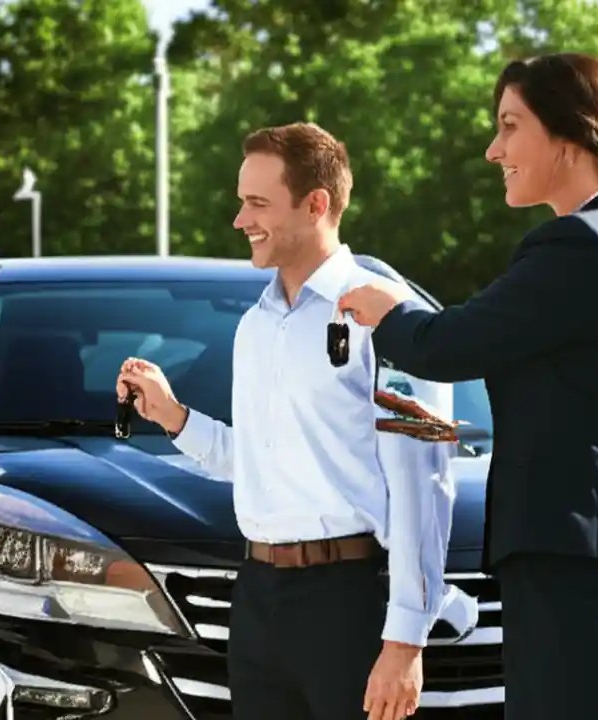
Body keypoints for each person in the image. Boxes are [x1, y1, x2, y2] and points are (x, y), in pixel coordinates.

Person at [336, 52, 598, 719]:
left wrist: (383, 307)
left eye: (510, 126)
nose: (495, 150)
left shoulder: (582, 244)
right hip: (594, 559)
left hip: (583, 566)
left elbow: (448, 344)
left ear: (570, 134)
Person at [118, 122, 472, 720]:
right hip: (257, 600)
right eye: (242, 201)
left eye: (258, 203)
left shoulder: (387, 315)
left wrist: (405, 641)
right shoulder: (256, 325)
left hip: (348, 603)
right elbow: (257, 461)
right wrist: (173, 416)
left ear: (316, 205)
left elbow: (424, 489)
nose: (240, 220)